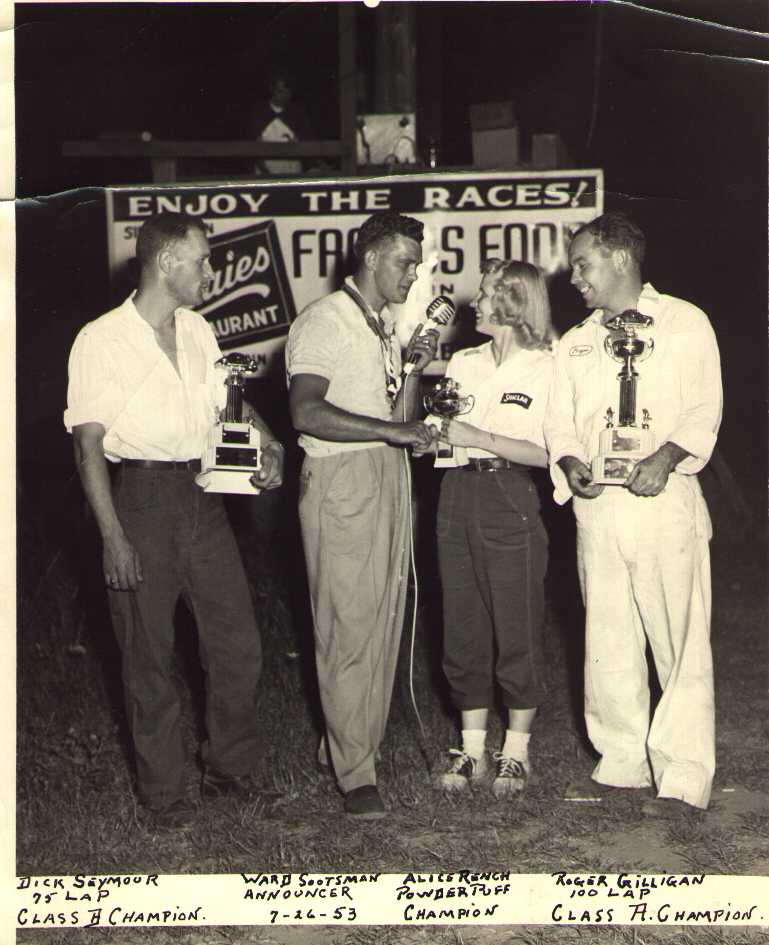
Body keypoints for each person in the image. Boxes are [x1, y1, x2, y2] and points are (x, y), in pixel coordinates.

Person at [64, 212, 284, 828]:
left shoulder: (197, 330)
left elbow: (228, 407)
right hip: (140, 500)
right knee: (148, 652)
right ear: (167, 264)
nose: (211, 272)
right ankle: (164, 795)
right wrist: (113, 536)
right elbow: (87, 447)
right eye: (203, 260)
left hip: (203, 498)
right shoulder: (102, 339)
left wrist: (269, 443)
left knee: (237, 642)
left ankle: (230, 771)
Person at [544, 211, 722, 813]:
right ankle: (622, 761)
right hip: (599, 510)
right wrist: (570, 461)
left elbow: (704, 409)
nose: (574, 278)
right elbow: (559, 422)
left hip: (664, 502)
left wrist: (666, 457)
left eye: (582, 264)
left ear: (620, 257)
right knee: (608, 635)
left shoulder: (684, 322)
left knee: (678, 639)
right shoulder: (576, 341)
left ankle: (683, 774)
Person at [286, 210, 438, 819]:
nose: (413, 275)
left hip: (387, 474)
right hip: (342, 479)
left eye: (417, 265)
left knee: (382, 622)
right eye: (405, 262)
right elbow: (305, 412)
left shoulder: (382, 327)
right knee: (347, 625)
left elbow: (400, 419)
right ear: (371, 258)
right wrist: (388, 432)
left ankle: (346, 747)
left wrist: (414, 368)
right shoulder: (323, 321)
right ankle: (357, 775)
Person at [429, 260, 554, 798]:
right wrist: (432, 436)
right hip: (456, 493)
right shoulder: (464, 361)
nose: (474, 303)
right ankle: (472, 749)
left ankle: (517, 752)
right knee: (463, 624)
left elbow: (549, 453)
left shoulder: (546, 367)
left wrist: (479, 437)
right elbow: (444, 430)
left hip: (510, 494)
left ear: (511, 301)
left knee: (516, 625)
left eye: (483, 294)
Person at [247, 69, 313, 176]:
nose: (284, 95)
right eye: (280, 91)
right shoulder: (260, 112)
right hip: (264, 174)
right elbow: (253, 144)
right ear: (272, 90)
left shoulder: (297, 114)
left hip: (292, 172)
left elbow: (307, 141)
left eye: (287, 92)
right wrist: (265, 172)